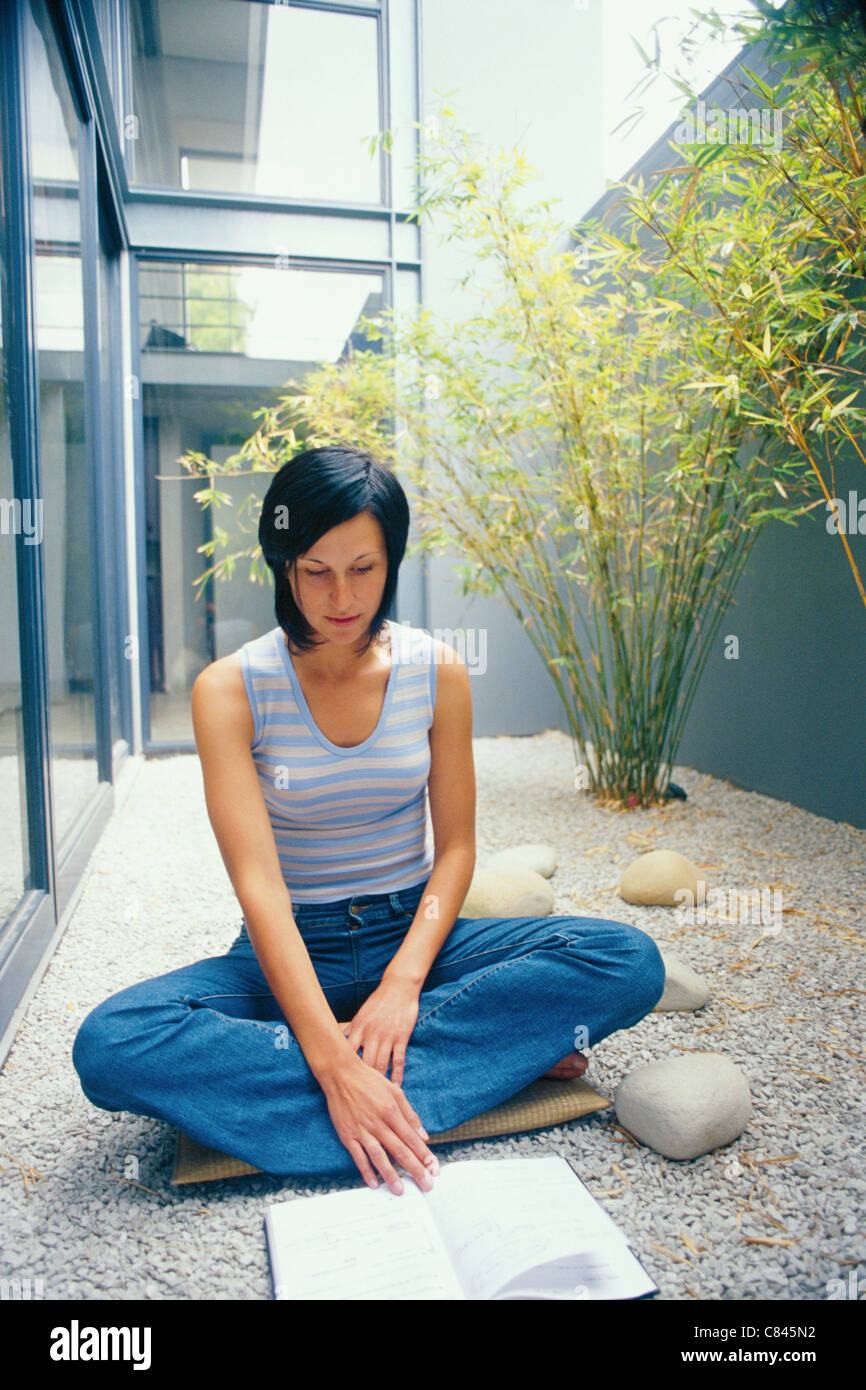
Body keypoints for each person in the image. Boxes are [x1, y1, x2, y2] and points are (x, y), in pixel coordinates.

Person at [72, 445, 665, 1196]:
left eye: (365, 568)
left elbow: (455, 852)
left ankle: (323, 1101)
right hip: (289, 950)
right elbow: (258, 888)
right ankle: (431, 1079)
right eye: (315, 570)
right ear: (282, 564)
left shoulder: (436, 671)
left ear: (393, 562)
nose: (341, 595)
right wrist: (330, 1057)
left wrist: (401, 988)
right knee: (112, 1044)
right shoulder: (229, 689)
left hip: (414, 937)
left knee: (626, 960)